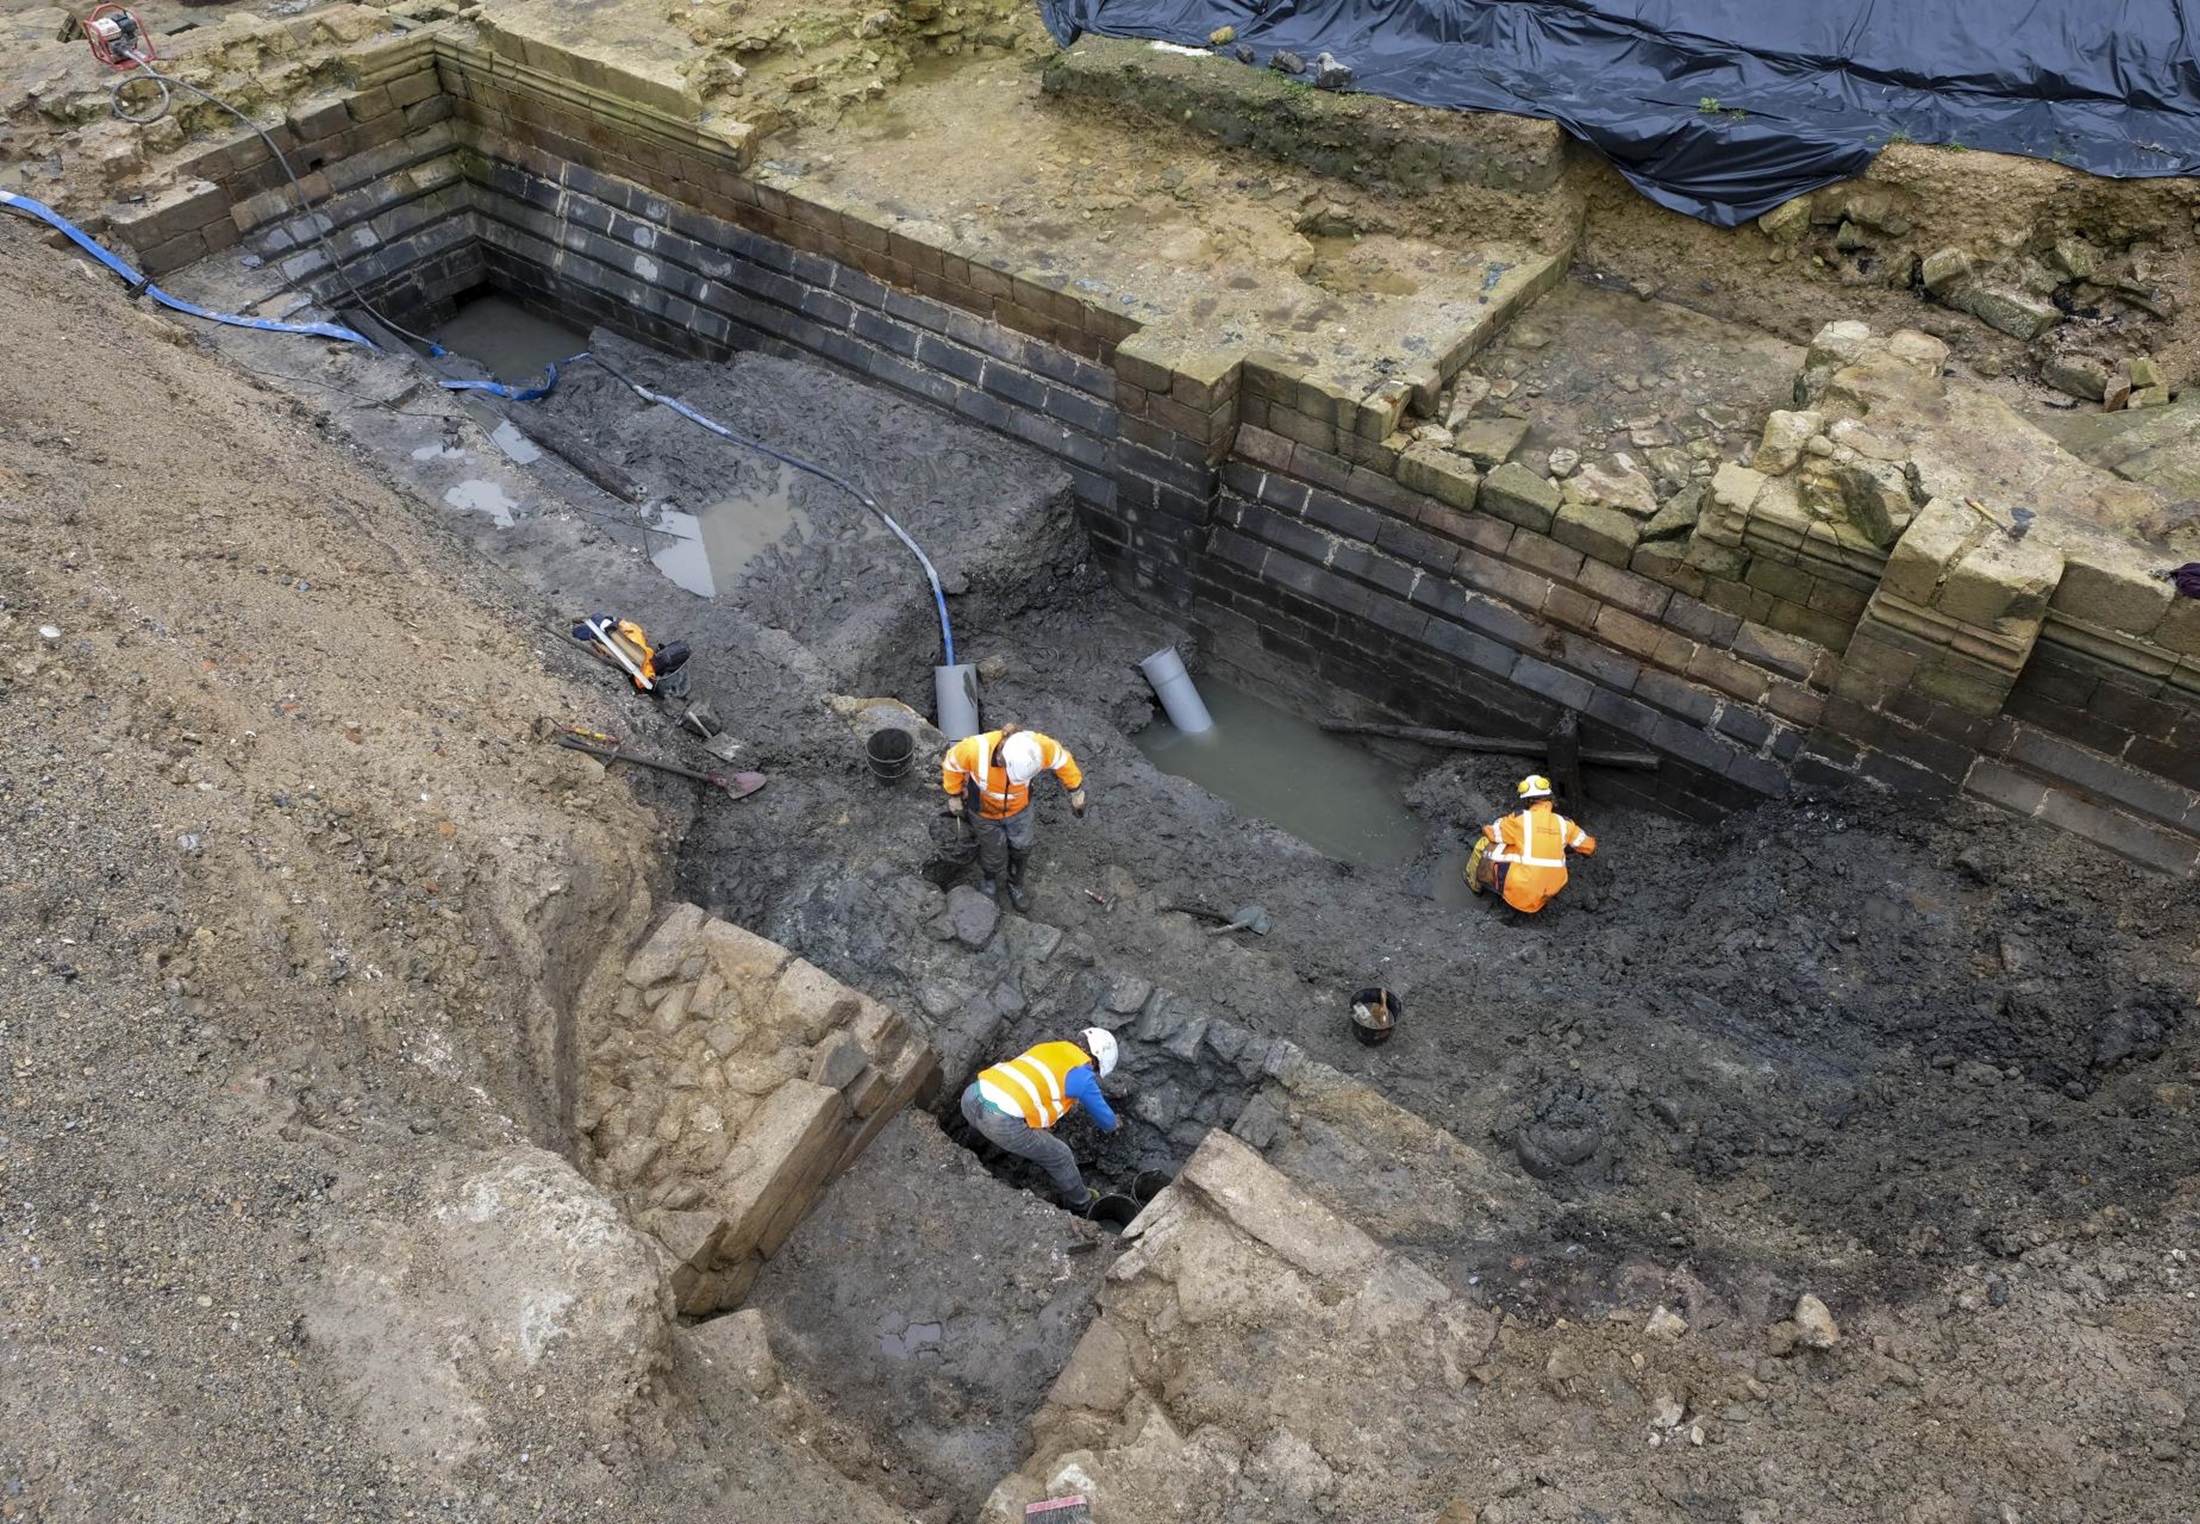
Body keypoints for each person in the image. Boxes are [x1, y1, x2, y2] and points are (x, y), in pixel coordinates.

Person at [959, 1028, 1120, 1211]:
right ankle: (1083, 1204)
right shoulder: (1082, 1076)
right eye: (1097, 1070)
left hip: (972, 1096)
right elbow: (1106, 1120)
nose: (1094, 1073)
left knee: (980, 1124)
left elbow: (1032, 1088)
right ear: (1097, 1061)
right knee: (1060, 1156)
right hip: (1000, 1122)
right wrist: (1115, 1123)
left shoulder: (1048, 1049)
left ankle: (969, 1152)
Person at [941, 723, 1086, 911]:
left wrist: (1076, 791)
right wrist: (954, 795)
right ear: (1002, 758)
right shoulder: (975, 750)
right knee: (993, 852)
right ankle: (989, 881)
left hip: (1019, 809)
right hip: (984, 811)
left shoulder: (1037, 748)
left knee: (1023, 846)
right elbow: (951, 764)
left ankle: (1015, 882)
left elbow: (1063, 759)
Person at [1467, 774, 1597, 914]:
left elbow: (1491, 833)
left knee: (1485, 843)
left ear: (1527, 801)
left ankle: (1474, 885)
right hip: (1550, 890)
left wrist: (1489, 826)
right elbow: (1589, 847)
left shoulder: (1520, 819)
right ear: (1549, 798)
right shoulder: (1565, 823)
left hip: (1522, 888)